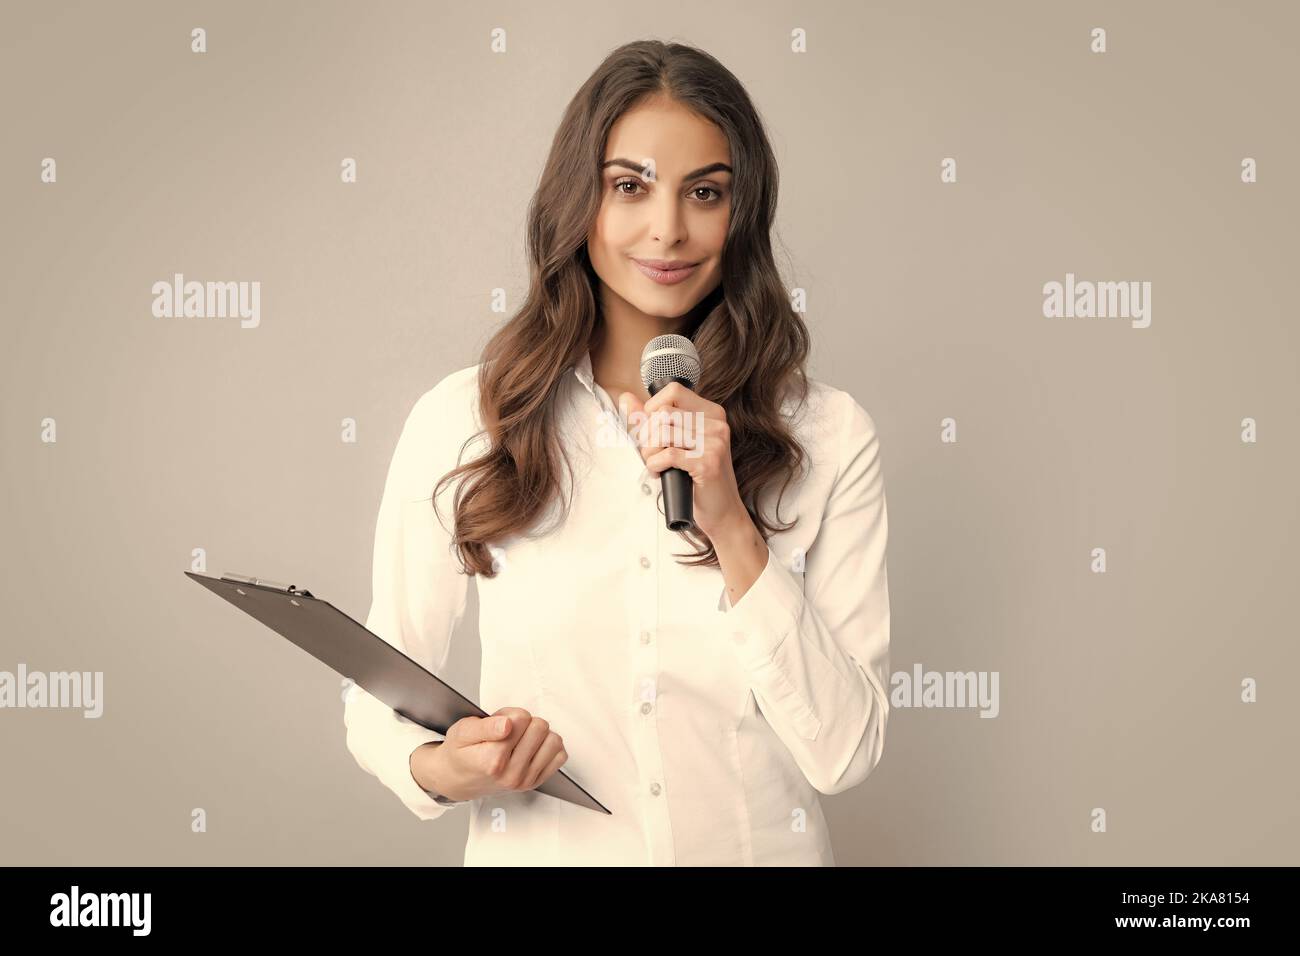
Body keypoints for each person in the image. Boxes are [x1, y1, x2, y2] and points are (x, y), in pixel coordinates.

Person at [343, 39, 890, 866]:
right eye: (629, 186)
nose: (667, 229)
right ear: (578, 200)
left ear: (741, 213)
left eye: (705, 193)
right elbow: (376, 694)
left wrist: (733, 528)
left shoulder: (830, 435)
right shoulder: (466, 419)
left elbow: (845, 752)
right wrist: (445, 768)